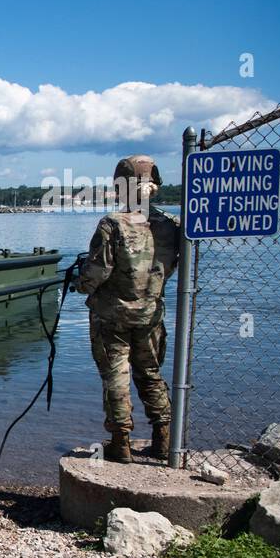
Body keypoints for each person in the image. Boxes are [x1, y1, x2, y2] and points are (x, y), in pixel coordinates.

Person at [76, 155, 178, 463]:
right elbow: (173, 265)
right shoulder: (172, 226)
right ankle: (164, 439)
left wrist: (80, 284)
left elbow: (96, 273)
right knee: (150, 372)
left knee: (115, 375)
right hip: (150, 315)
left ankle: (120, 442)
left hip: (112, 316)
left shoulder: (113, 224)